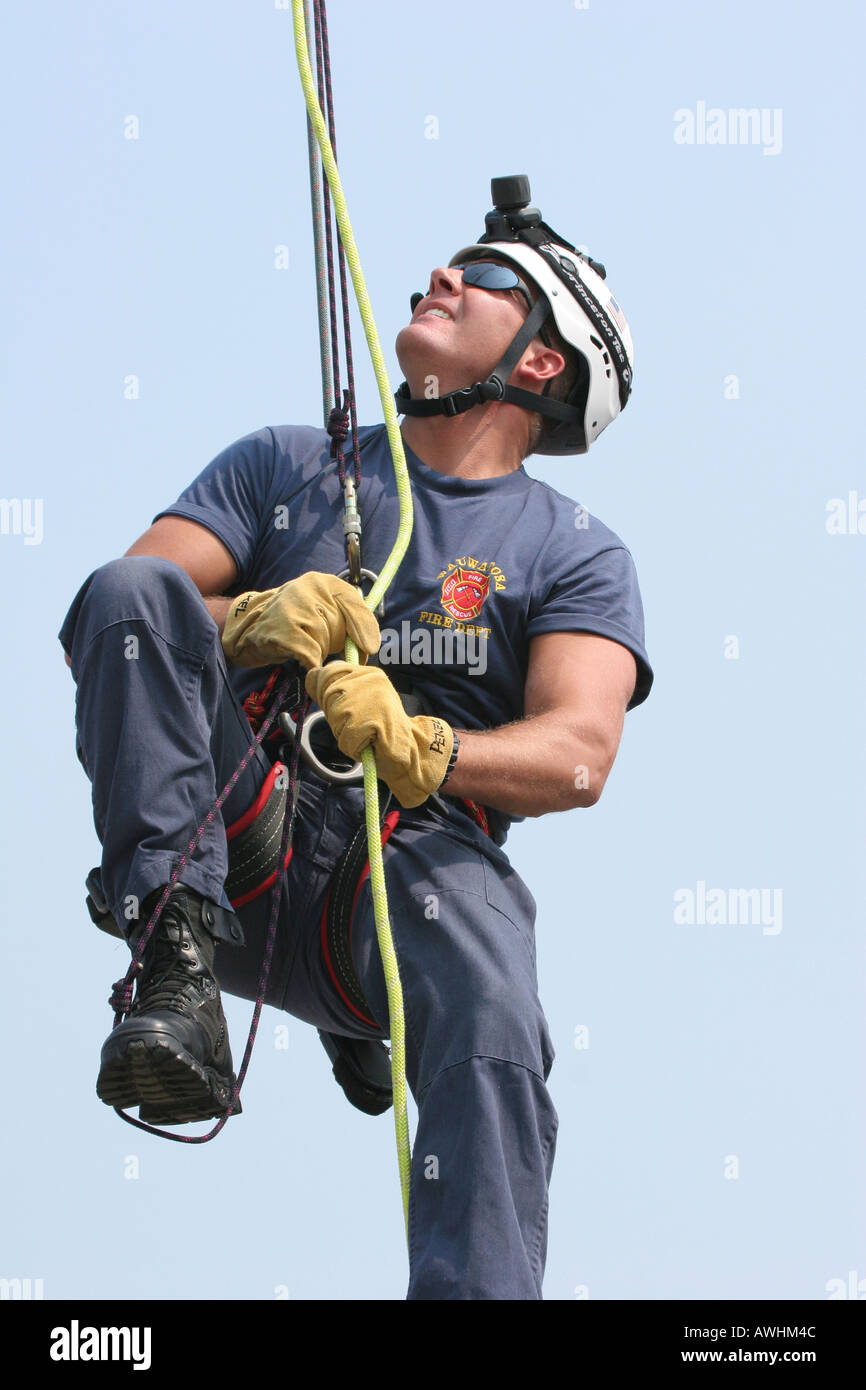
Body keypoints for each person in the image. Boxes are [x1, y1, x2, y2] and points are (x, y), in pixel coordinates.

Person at [59, 196, 653, 1300]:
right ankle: (171, 974)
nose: (442, 273)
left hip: (407, 873)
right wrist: (251, 616)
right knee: (136, 595)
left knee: (491, 1013)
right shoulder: (287, 464)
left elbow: (580, 753)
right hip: (235, 838)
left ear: (537, 363)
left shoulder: (572, 553)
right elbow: (123, 600)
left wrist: (429, 746)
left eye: (487, 277)